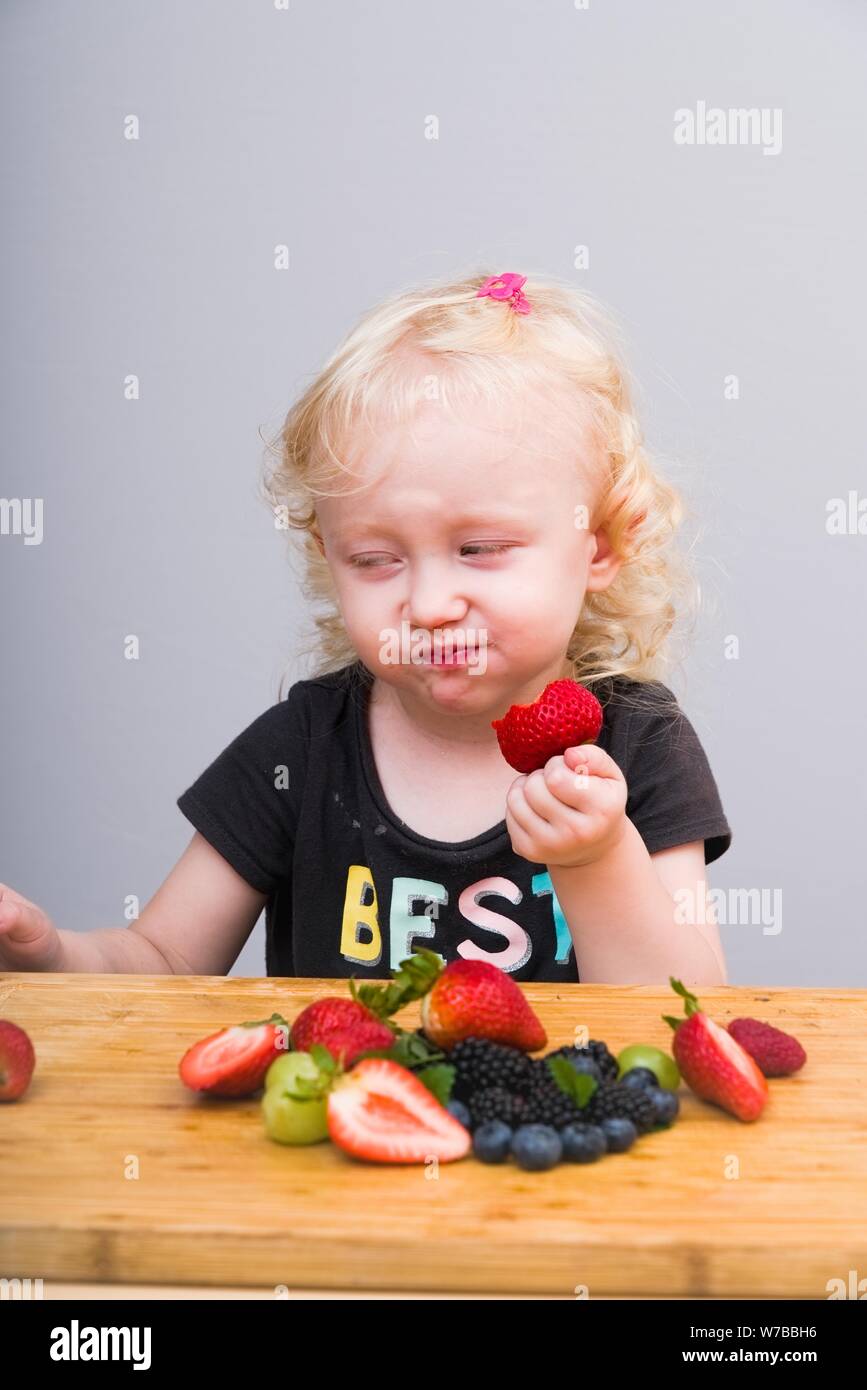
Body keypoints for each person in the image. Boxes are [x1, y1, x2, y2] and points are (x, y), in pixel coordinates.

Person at [0, 270, 731, 983]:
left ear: (597, 542)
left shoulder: (640, 745)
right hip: (347, 1106)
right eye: (376, 559)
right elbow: (163, 960)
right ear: (327, 556)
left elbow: (687, 1012)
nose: (429, 603)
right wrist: (51, 960)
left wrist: (595, 857)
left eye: (478, 550)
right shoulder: (302, 747)